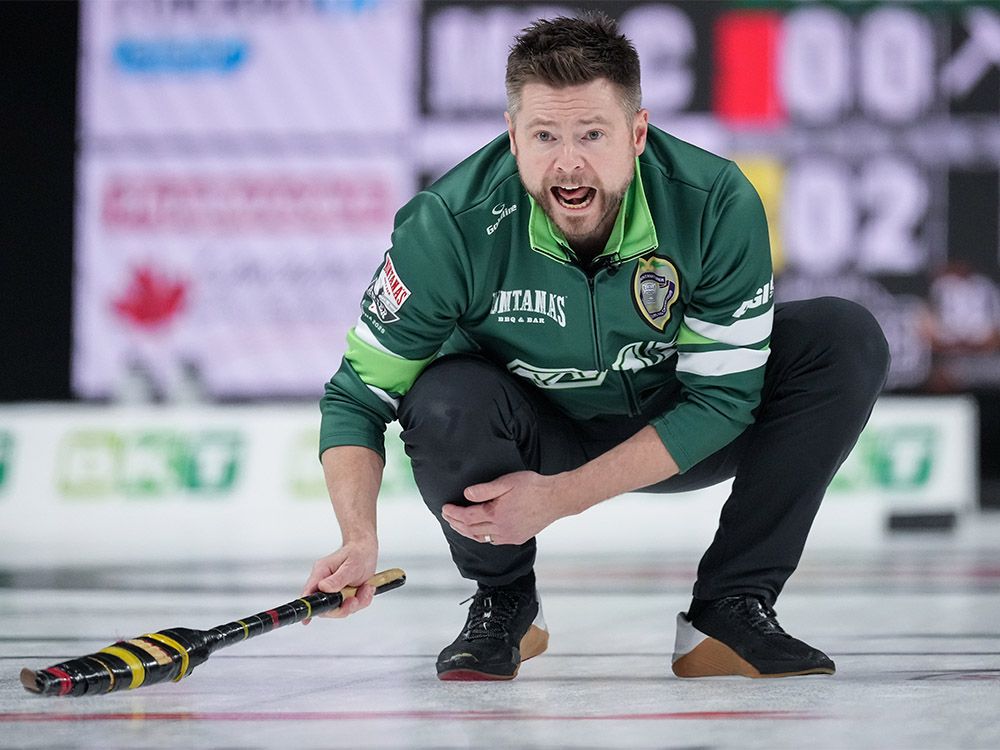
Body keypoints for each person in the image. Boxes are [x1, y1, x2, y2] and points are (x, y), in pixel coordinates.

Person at [302, 13, 890, 681]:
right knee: (441, 398)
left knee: (844, 338)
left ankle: (731, 607)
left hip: (682, 428)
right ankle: (505, 603)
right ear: (512, 137)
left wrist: (563, 497)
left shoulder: (717, 200)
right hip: (535, 434)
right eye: (544, 136)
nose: (569, 161)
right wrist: (358, 538)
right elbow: (356, 396)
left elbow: (723, 399)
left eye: (592, 134)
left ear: (637, 134)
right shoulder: (447, 225)